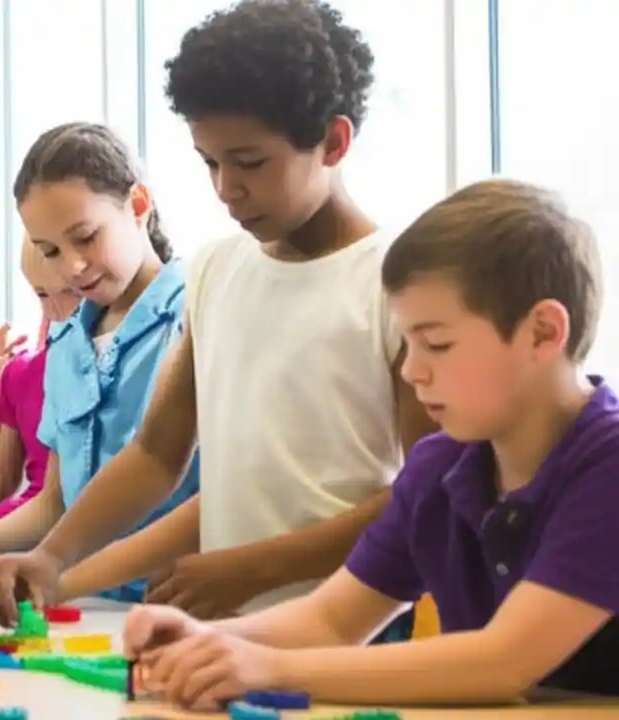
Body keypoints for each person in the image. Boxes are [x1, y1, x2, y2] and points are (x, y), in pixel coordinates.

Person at [0, 0, 435, 628]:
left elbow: (425, 498)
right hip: (229, 636)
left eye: (249, 163)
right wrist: (52, 557)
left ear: (333, 141)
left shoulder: (400, 283)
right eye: (209, 161)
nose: (225, 188)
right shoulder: (216, 271)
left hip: (355, 633)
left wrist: (256, 565)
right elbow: (158, 454)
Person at [124, 178, 619, 708]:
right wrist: (210, 640)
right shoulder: (441, 467)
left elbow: (503, 663)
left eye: (437, 344)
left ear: (543, 333)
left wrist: (267, 667)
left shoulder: (606, 465)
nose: (412, 370)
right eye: (408, 343)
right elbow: (333, 619)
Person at [0, 122, 200, 603]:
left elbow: (210, 493)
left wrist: (57, 574)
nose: (73, 267)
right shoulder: (66, 344)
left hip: (178, 605)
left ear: (139, 206)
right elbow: (54, 503)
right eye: (51, 252)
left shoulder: (196, 313)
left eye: (86, 238)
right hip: (82, 605)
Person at [0, 236, 81, 525]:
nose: (54, 310)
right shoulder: (23, 373)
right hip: (26, 526)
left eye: (71, 291)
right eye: (41, 294)